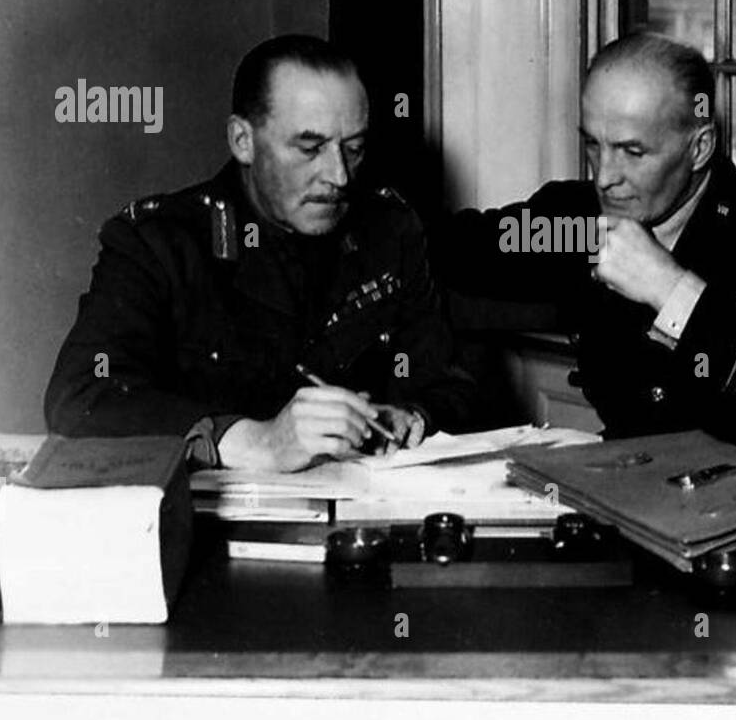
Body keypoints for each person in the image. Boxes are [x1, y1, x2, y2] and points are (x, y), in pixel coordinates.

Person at [44, 35, 478, 471]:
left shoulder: (390, 231)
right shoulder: (160, 242)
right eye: (309, 148)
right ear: (242, 140)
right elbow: (82, 395)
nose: (339, 176)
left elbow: (451, 385)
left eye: (354, 148)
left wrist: (413, 416)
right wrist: (256, 441)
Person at [437, 31, 736, 446]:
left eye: (632, 152)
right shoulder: (578, 225)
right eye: (593, 146)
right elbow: (450, 250)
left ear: (699, 148)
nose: (604, 177)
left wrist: (670, 288)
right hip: (628, 491)